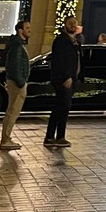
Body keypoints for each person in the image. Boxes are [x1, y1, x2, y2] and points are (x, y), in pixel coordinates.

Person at [45, 15, 82, 149]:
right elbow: (59, 60)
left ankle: (51, 137)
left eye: (74, 23)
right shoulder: (61, 40)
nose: (73, 25)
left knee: (60, 107)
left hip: (72, 79)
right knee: (63, 107)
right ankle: (58, 136)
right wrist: (67, 76)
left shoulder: (76, 41)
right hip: (64, 80)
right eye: (70, 23)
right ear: (65, 25)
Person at [0, 19, 31, 151]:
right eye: (27, 28)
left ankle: (6, 138)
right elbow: (15, 66)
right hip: (17, 83)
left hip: (16, 81)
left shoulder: (16, 44)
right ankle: (5, 139)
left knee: (12, 111)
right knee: (13, 111)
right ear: (20, 30)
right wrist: (21, 82)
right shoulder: (17, 46)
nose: (29, 30)